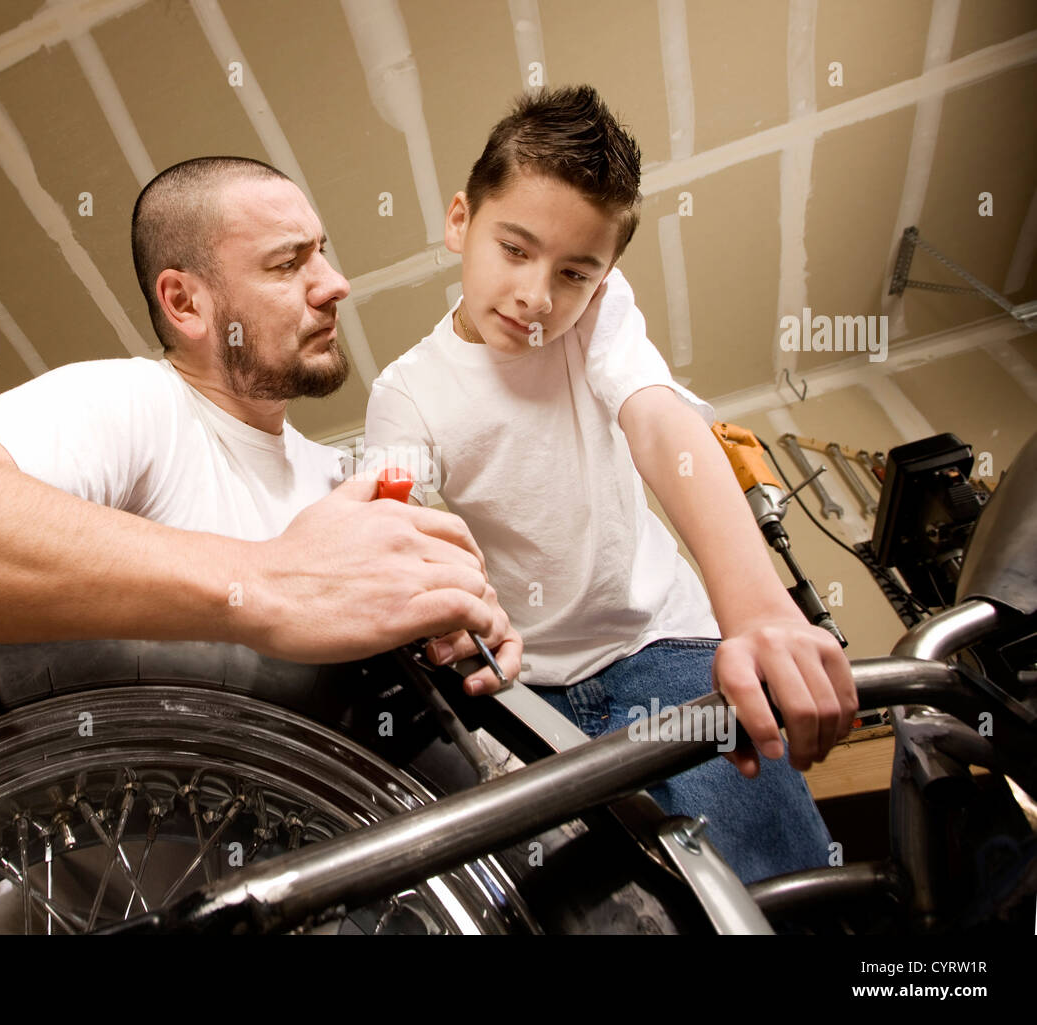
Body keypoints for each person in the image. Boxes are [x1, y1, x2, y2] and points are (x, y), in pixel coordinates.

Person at [0, 156, 522, 688]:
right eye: (288, 262)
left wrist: (456, 631)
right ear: (186, 304)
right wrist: (262, 582)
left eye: (321, 252)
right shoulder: (141, 405)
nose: (335, 284)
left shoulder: (341, 484)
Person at [362, 86, 857, 883]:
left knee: (775, 884)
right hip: (528, 689)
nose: (537, 295)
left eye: (574, 273)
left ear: (604, 277)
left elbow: (660, 422)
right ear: (460, 221)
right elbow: (396, 519)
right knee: (606, 904)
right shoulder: (405, 392)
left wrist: (760, 612)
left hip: (666, 647)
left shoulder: (598, 314)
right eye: (514, 249)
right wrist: (437, 604)